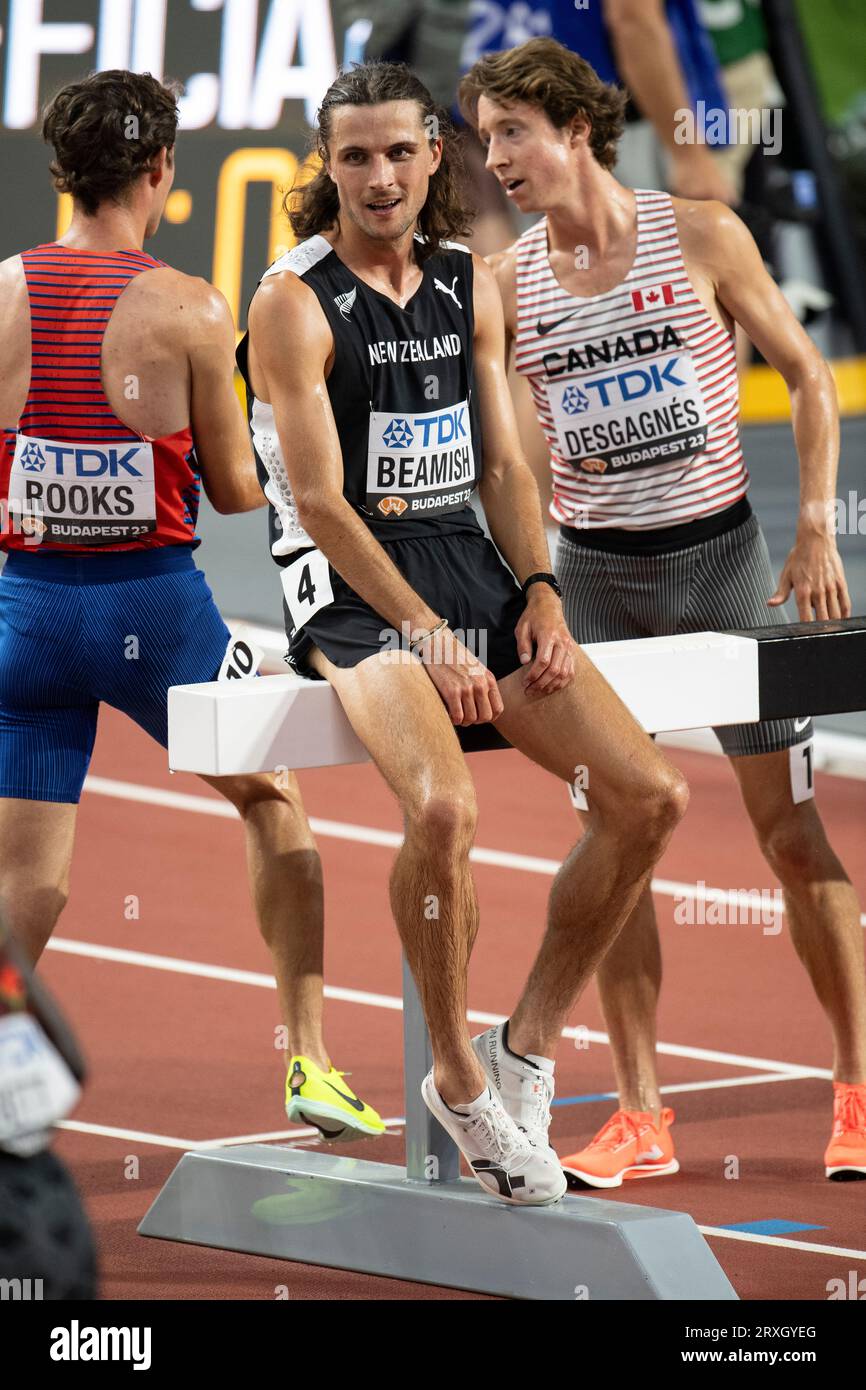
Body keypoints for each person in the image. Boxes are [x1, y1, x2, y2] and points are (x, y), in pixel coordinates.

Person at [238, 58, 689, 1206]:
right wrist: (425, 628)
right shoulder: (291, 300)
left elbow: (500, 460)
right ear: (326, 165)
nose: (378, 176)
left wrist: (538, 586)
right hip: (350, 590)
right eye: (353, 156)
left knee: (647, 798)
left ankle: (523, 1046)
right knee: (441, 806)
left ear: (434, 154)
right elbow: (325, 503)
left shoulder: (468, 281)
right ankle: (455, 1079)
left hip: (470, 570)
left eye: (398, 151)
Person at [460, 35, 866, 1184]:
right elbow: (511, 461)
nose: (494, 159)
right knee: (619, 830)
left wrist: (816, 524)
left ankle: (855, 1088)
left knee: (788, 832)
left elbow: (807, 371)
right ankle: (639, 1111)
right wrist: (528, 582)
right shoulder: (505, 286)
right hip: (595, 582)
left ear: (575, 130)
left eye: (511, 134)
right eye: (484, 138)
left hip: (723, 568)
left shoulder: (697, 232)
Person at [0, 70, 383, 1145]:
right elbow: (231, 491)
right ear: (163, 172)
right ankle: (308, 1058)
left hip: (24, 617)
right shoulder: (191, 308)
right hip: (154, 619)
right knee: (273, 800)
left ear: (61, 173)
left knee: (30, 877)